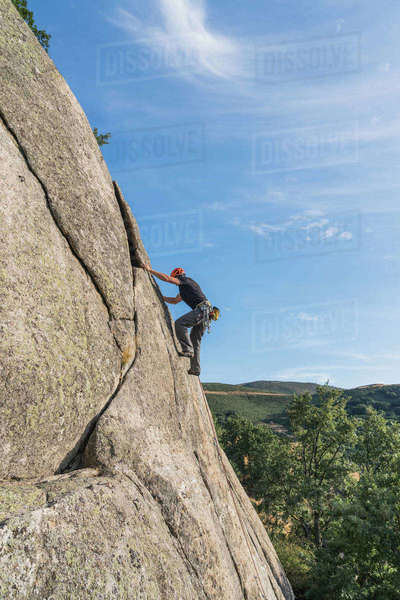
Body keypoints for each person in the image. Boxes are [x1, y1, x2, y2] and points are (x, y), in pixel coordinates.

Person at [142, 264, 219, 376]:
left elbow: (167, 279)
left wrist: (150, 270)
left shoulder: (185, 280)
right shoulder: (185, 289)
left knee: (180, 323)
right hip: (206, 314)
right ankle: (195, 369)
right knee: (194, 340)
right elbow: (174, 300)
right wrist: (161, 297)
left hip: (202, 310)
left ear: (177, 276)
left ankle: (187, 349)